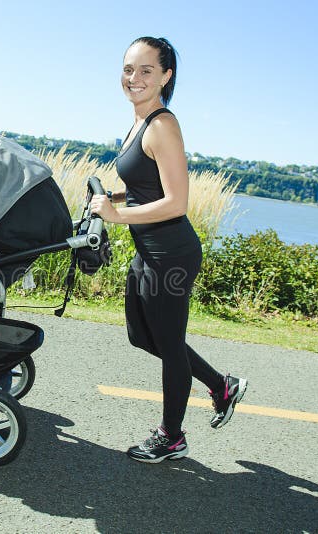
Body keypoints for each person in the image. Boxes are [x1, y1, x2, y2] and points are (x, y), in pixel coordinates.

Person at [89, 36, 248, 463]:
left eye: (145, 70)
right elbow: (147, 186)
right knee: (142, 336)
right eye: (128, 69)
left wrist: (116, 217)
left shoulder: (163, 124)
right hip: (149, 250)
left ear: (166, 76)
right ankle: (220, 384)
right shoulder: (139, 122)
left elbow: (177, 201)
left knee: (170, 346)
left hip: (171, 254)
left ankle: (171, 436)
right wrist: (115, 200)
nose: (134, 78)